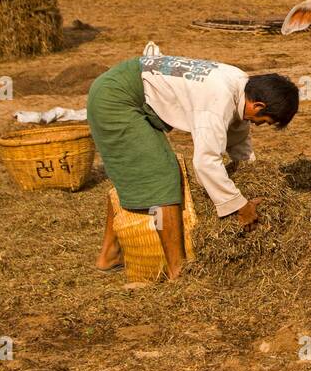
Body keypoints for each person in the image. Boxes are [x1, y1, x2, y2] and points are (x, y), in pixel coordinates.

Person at [88, 55, 299, 279]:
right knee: (161, 175)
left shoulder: (241, 84)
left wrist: (255, 180)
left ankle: (109, 255)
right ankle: (177, 270)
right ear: (258, 105)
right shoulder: (218, 100)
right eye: (263, 121)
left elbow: (237, 137)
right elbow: (205, 162)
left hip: (129, 86)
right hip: (116, 97)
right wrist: (239, 206)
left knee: (141, 170)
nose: (258, 125)